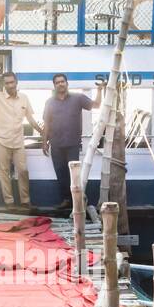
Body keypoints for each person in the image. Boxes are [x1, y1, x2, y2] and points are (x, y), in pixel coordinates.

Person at [0, 64, 42, 209]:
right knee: (4, 172)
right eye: (7, 83)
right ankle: (9, 202)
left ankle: (25, 201)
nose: (10, 85)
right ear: (3, 85)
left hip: (18, 141)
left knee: (23, 170)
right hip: (1, 140)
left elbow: (30, 118)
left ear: (16, 82)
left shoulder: (24, 98)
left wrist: (42, 132)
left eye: (12, 82)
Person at [42, 73, 97, 211]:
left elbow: (95, 105)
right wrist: (44, 142)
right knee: (61, 174)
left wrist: (100, 90)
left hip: (72, 144)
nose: (60, 84)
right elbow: (47, 123)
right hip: (56, 144)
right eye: (57, 82)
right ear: (54, 85)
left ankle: (77, 201)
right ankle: (66, 200)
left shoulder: (78, 98)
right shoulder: (49, 102)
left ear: (67, 83)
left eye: (62, 81)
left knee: (75, 175)